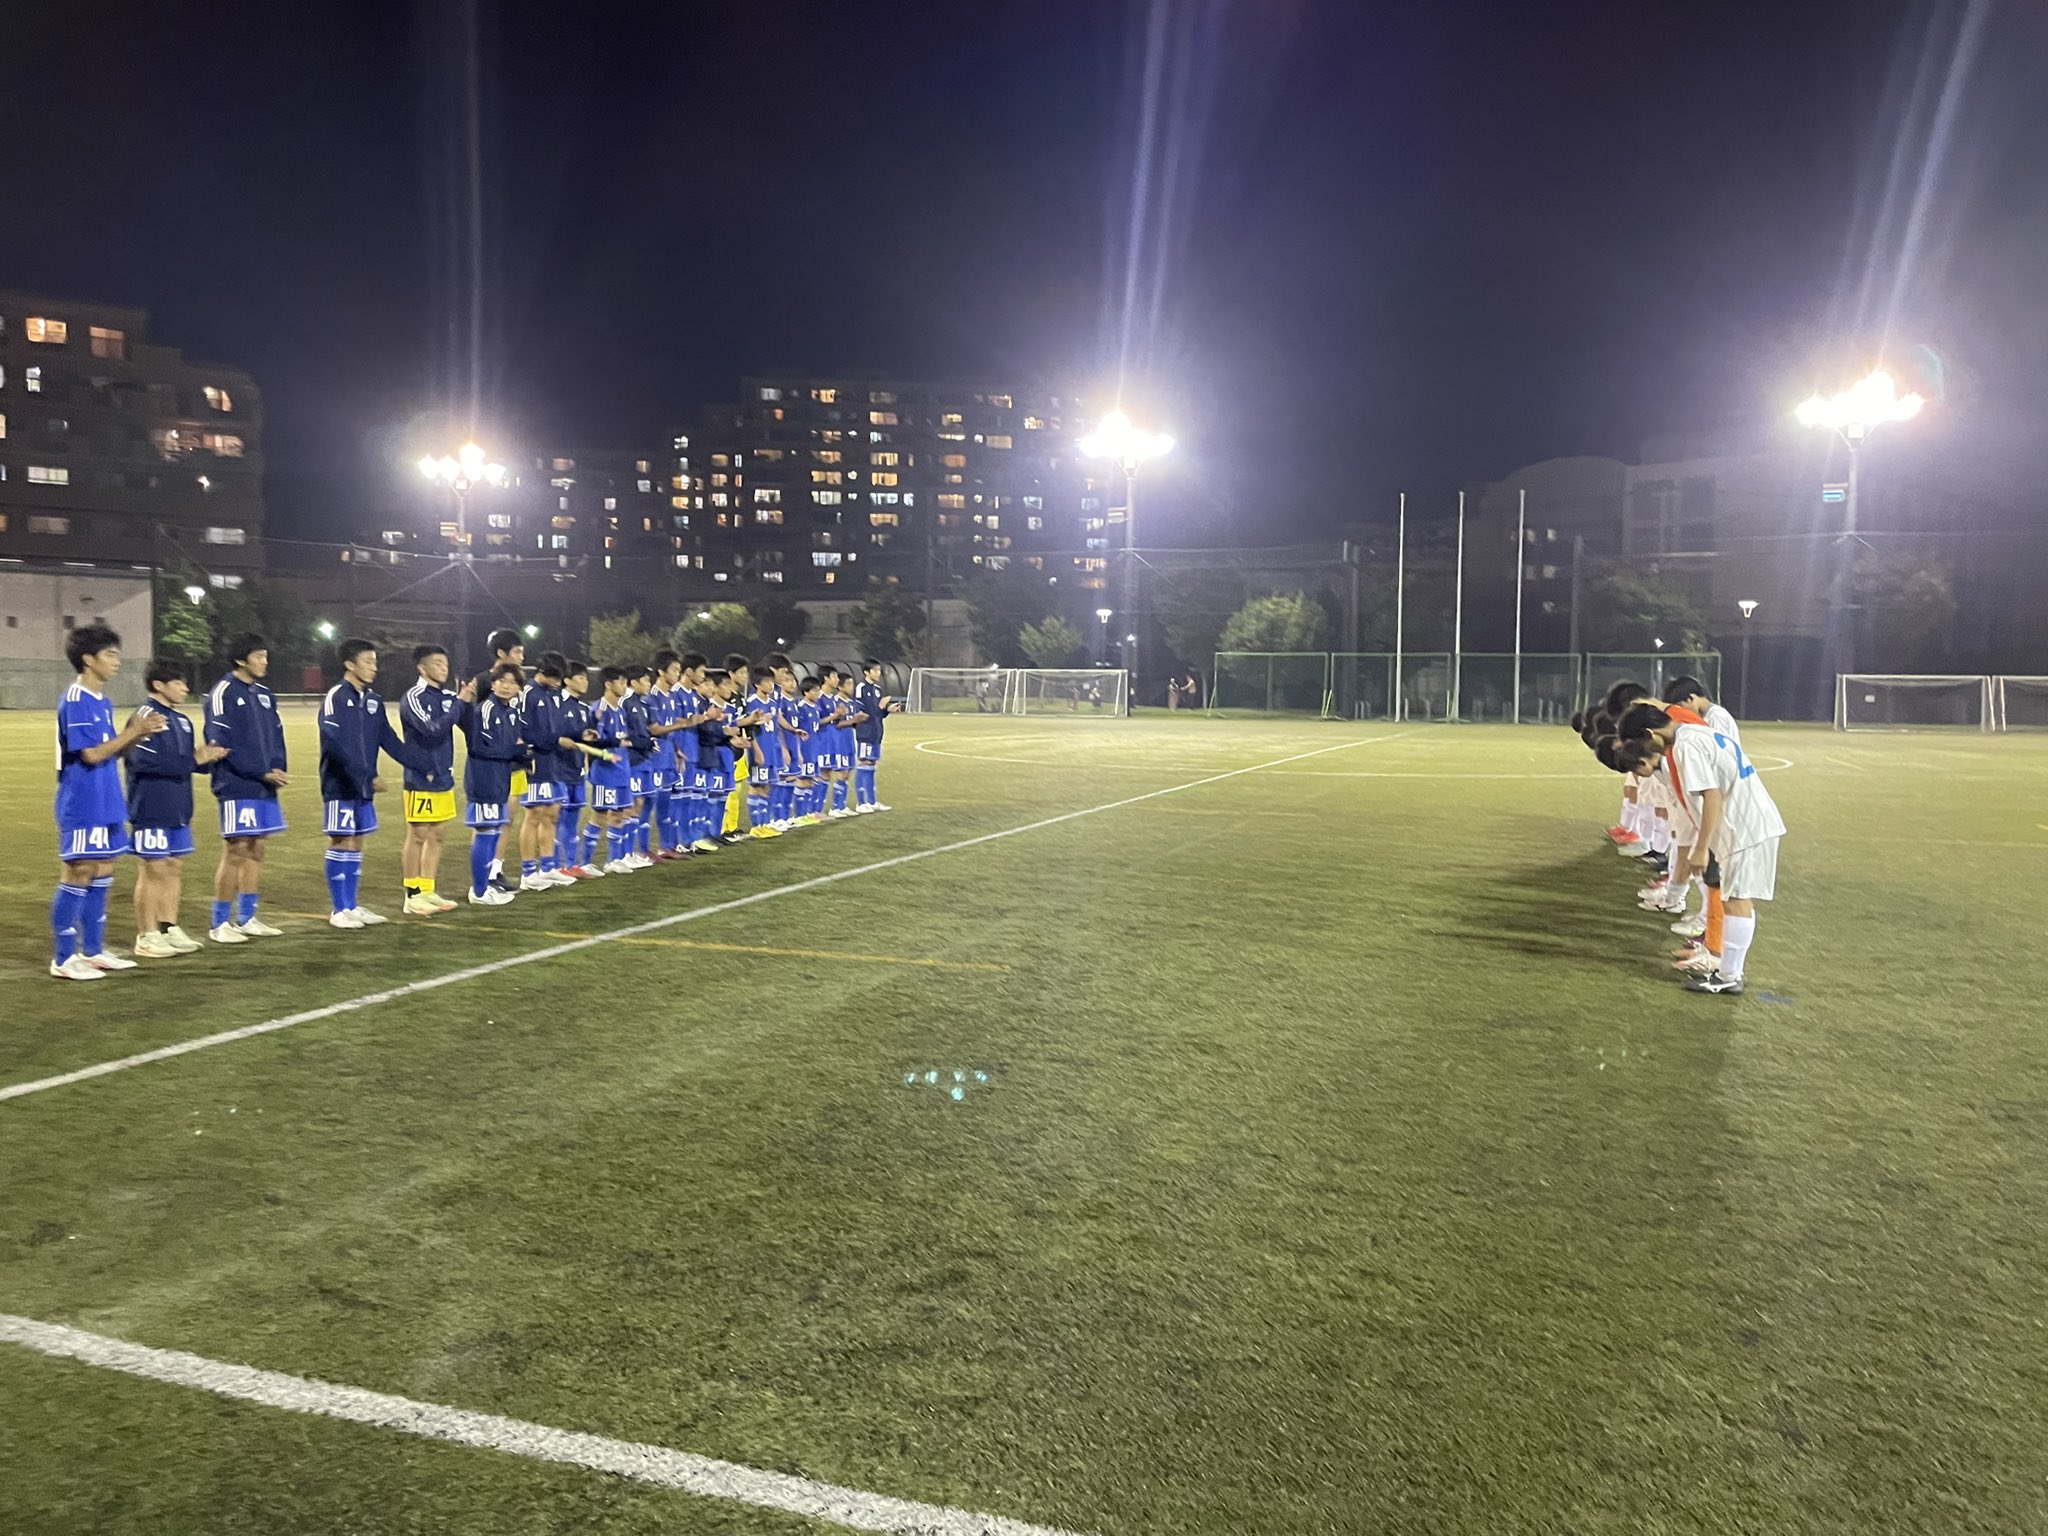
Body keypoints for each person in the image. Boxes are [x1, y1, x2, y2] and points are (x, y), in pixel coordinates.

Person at [1620, 702, 1785, 996]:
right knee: (1737, 898)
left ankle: (1729, 976)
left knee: (1736, 900)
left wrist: (1702, 847)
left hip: (1742, 826)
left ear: (1649, 732)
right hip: (1750, 821)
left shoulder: (1685, 746)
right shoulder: (1695, 732)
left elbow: (1713, 796)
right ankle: (1727, 970)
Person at [51, 626, 167, 980]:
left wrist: (136, 734)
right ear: (88, 660)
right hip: (83, 801)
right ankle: (64, 958)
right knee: (79, 871)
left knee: (102, 870)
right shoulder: (76, 699)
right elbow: (89, 754)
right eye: (110, 654)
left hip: (106, 799)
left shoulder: (101, 701)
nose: (117, 661)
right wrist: (132, 731)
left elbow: (110, 753)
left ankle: (94, 951)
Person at [124, 660, 228, 957]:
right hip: (150, 805)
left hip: (179, 805)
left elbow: (184, 762)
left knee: (173, 867)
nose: (185, 688)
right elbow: (142, 762)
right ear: (159, 685)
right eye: (179, 682)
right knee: (153, 868)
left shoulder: (182, 720)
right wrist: (195, 760)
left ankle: (168, 927)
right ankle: (146, 934)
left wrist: (208, 758)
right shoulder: (145, 716)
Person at [317, 638, 420, 930]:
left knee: (358, 841)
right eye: (368, 662)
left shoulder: (372, 700)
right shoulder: (336, 696)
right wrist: (366, 775)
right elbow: (335, 745)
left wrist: (420, 765)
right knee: (341, 840)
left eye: (375, 662)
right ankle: (339, 910)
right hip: (340, 784)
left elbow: (387, 738)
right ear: (350, 664)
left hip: (363, 785)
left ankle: (352, 905)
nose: (374, 668)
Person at [205, 632, 290, 944]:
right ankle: (219, 923)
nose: (264, 662)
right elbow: (221, 745)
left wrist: (280, 767)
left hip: (265, 784)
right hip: (236, 784)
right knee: (236, 850)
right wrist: (260, 771)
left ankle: (248, 917)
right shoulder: (223, 692)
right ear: (241, 659)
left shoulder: (266, 694)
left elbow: (276, 736)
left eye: (266, 656)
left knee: (257, 848)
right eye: (258, 656)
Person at [400, 645, 473, 915]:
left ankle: (428, 889)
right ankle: (412, 894)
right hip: (420, 777)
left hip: (444, 776)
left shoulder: (447, 696)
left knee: (437, 835)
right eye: (438, 663)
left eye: (445, 663)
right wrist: (460, 703)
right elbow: (432, 730)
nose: (444, 668)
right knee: (418, 834)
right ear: (422, 668)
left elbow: (465, 723)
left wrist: (465, 703)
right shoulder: (414, 697)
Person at [459, 663, 531, 906]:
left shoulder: (511, 712)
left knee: (493, 833)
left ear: (519, 688)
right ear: (492, 683)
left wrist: (522, 754)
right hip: (483, 780)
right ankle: (479, 891)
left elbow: (511, 747)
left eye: (512, 682)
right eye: (502, 680)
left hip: (500, 780)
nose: (506, 685)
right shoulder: (487, 709)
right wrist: (516, 751)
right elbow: (480, 747)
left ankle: (486, 885)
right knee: (486, 833)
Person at [517, 652, 578, 890]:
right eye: (556, 678)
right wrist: (555, 740)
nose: (559, 683)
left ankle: (549, 867)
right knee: (534, 815)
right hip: (536, 763)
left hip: (553, 762)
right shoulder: (529, 694)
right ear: (542, 673)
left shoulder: (552, 695)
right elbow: (522, 732)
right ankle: (528, 873)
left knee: (553, 812)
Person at [586, 666, 640, 873]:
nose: (624, 686)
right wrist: (616, 742)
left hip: (622, 770)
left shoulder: (621, 710)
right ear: (608, 684)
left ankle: (613, 860)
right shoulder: (599, 709)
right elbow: (592, 741)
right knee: (599, 816)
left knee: (619, 814)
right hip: (605, 772)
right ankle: (585, 863)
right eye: (620, 682)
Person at [555, 660, 602, 879]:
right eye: (581, 677)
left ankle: (572, 864)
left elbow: (582, 737)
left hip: (576, 769)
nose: (586, 681)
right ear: (567, 680)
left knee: (573, 816)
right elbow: (553, 736)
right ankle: (554, 866)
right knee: (557, 818)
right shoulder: (556, 704)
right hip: (557, 770)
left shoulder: (584, 709)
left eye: (586, 677)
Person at [853, 659, 903, 812]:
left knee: (872, 766)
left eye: (879, 670)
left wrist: (887, 710)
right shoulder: (861, 688)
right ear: (866, 672)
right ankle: (861, 803)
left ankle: (872, 801)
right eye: (875, 670)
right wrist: (879, 707)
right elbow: (860, 713)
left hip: (876, 732)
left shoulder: (878, 690)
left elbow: (878, 714)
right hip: (865, 732)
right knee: (863, 764)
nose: (878, 673)